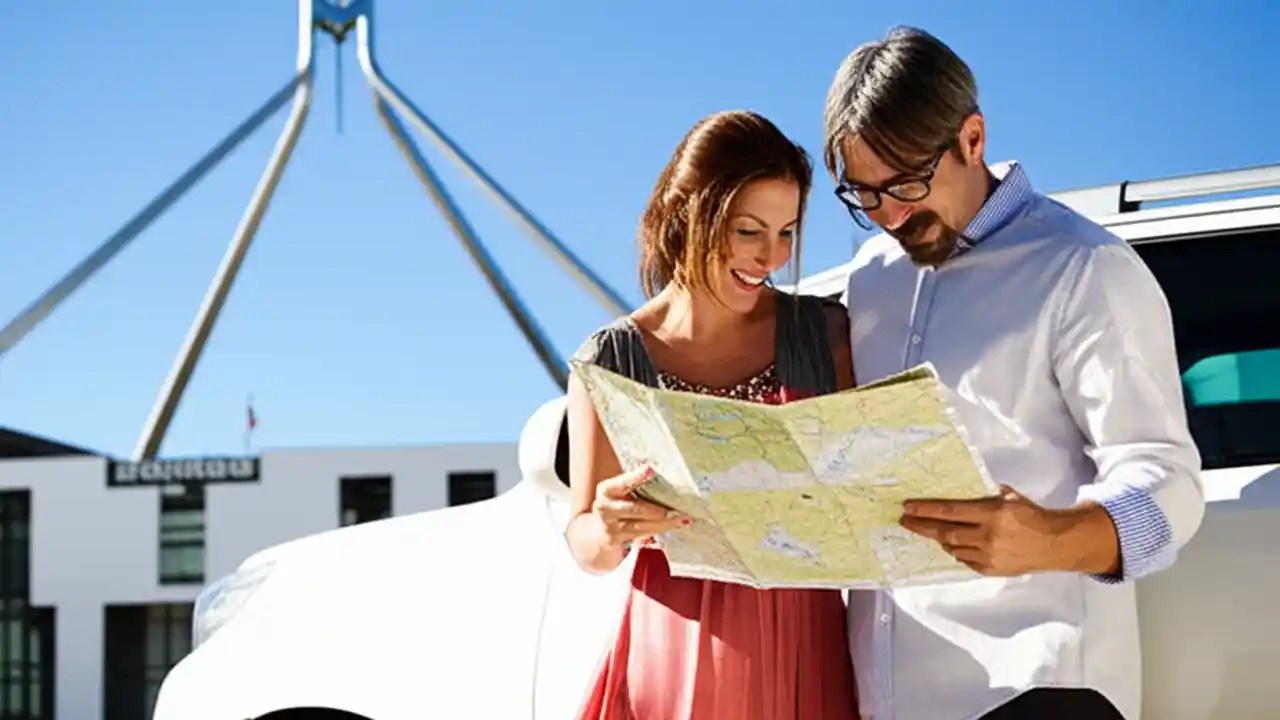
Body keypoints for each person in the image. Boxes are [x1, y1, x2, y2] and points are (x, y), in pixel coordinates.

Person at [821, 26, 1205, 720]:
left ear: (973, 138)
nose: (891, 215)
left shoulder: (1081, 267)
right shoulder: (868, 280)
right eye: (866, 195)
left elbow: (1170, 481)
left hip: (1040, 688)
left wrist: (1051, 539)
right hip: (891, 698)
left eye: (907, 182)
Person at [563, 109, 860, 719]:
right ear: (689, 216)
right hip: (674, 644)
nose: (771, 256)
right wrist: (610, 524)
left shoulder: (825, 334)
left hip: (805, 634)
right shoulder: (611, 359)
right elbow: (584, 541)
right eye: (749, 231)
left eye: (787, 233)